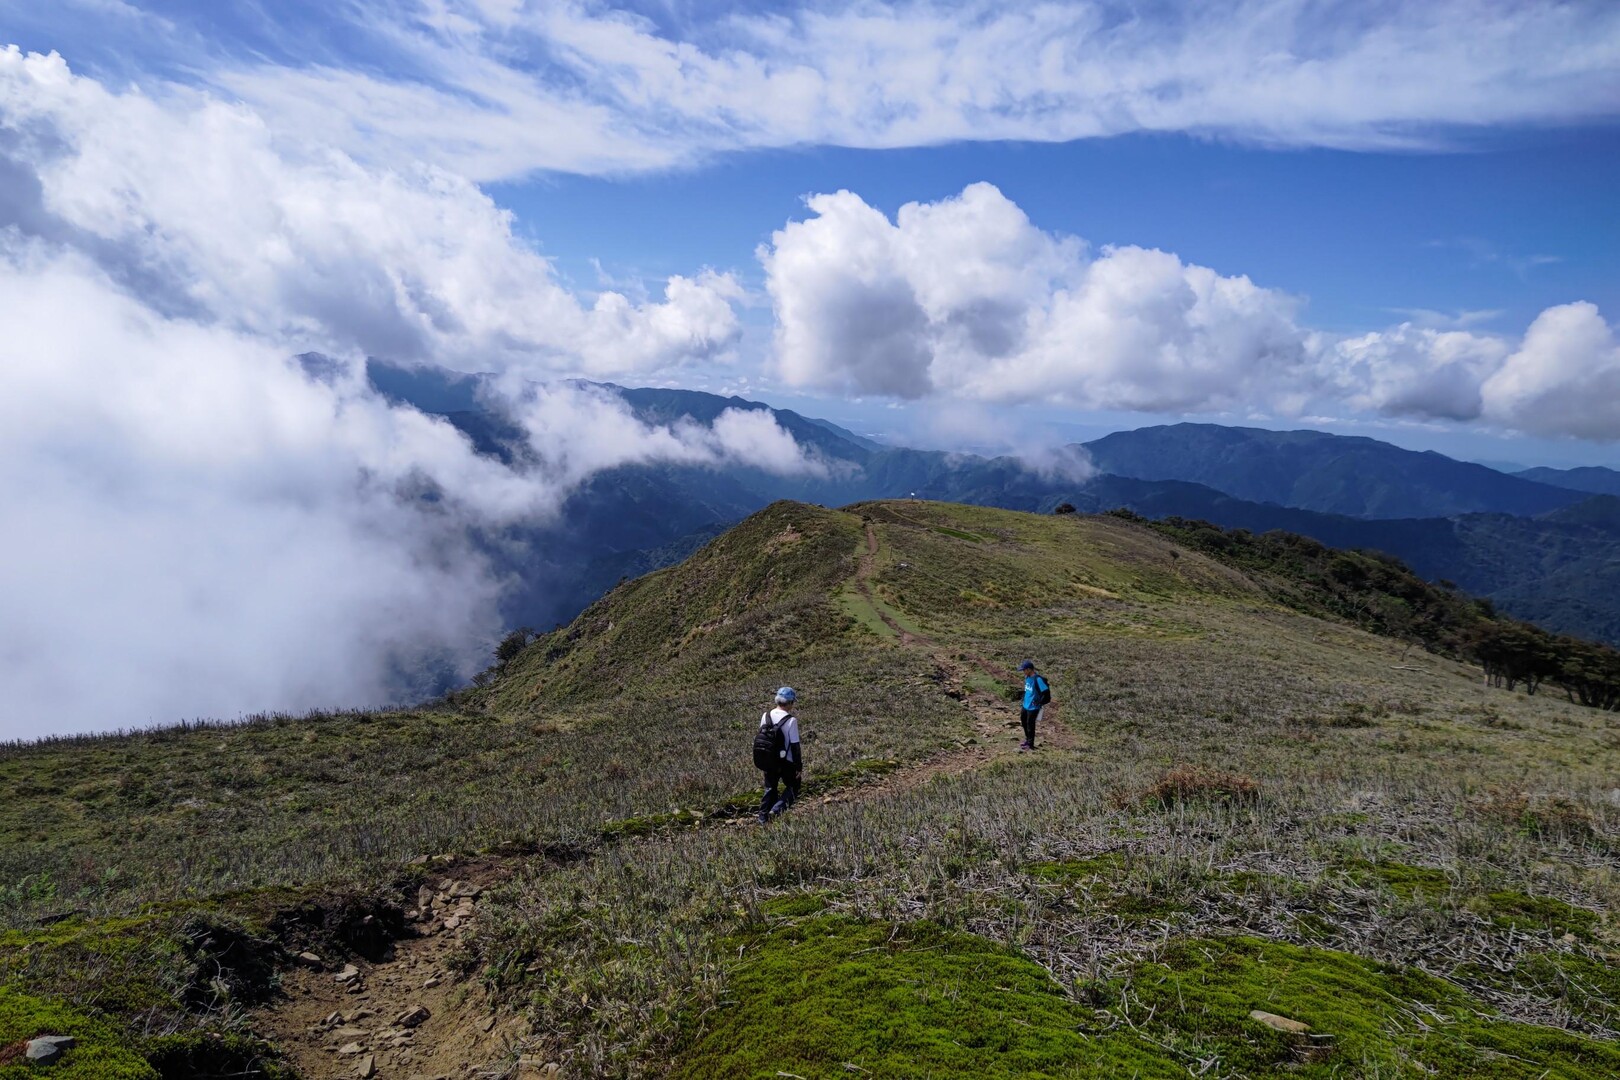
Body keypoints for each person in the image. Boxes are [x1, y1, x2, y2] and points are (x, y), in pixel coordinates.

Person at [757, 687, 803, 823]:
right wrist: (798, 767)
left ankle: (762, 819)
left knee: (770, 788)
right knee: (794, 786)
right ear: (789, 702)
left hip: (768, 759)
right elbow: (795, 746)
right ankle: (776, 810)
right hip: (785, 761)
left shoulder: (766, 716)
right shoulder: (791, 720)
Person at [1017, 660, 1051, 751]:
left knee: (1030, 725)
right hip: (1025, 705)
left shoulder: (1038, 679)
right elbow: (1027, 690)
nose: (1023, 672)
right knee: (1024, 722)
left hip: (1033, 707)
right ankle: (1027, 740)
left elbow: (1046, 693)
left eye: (1024, 670)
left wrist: (1040, 702)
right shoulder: (1027, 677)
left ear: (1029, 669)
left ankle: (1030, 744)